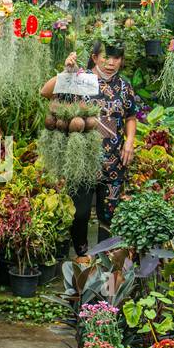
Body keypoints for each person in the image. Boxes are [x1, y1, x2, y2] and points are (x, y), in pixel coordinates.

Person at [40, 39, 138, 256]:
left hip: (114, 160)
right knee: (80, 212)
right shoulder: (81, 79)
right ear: (95, 58)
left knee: (109, 213)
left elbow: (131, 116)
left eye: (116, 58)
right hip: (83, 159)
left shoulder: (124, 86)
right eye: (106, 57)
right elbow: (45, 91)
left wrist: (129, 141)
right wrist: (66, 72)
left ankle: (106, 261)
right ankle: (82, 256)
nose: (111, 62)